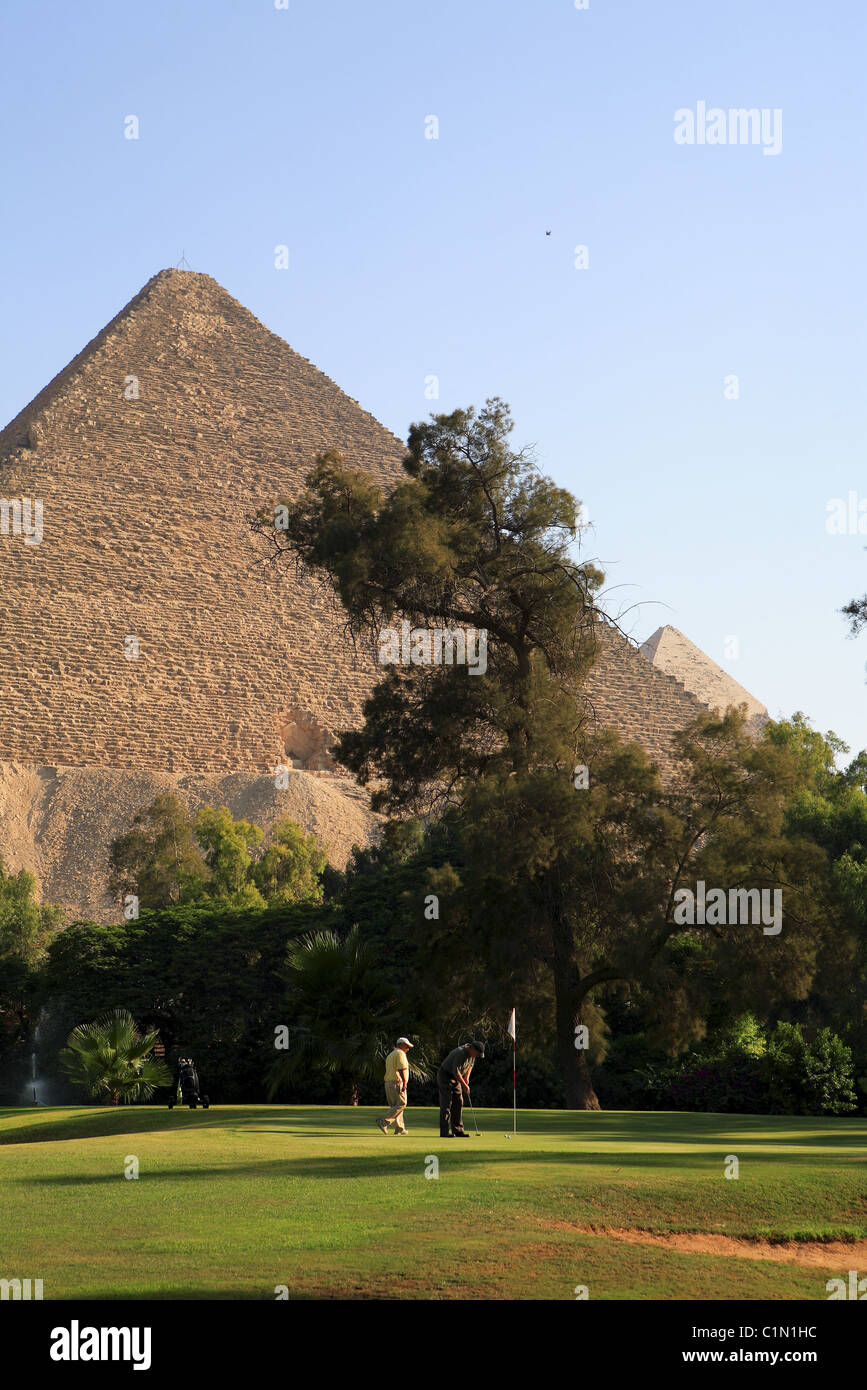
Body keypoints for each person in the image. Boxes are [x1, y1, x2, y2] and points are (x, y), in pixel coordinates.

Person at [437, 1040, 484, 1137]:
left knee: (459, 1101)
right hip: (445, 1075)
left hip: (456, 1077)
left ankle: (458, 1130)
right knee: (447, 1102)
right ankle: (444, 1132)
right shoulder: (460, 1053)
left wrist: (467, 1077)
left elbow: (470, 1065)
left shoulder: (472, 1055)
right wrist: (464, 1085)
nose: (476, 1056)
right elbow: (456, 1072)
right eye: (476, 1054)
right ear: (472, 1049)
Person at [377, 1036, 414, 1135]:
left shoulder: (391, 1054)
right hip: (397, 1082)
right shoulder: (400, 1053)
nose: (408, 1049)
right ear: (401, 1045)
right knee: (402, 1104)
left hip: (388, 1083)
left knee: (395, 1106)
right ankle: (384, 1121)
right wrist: (405, 1083)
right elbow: (402, 1069)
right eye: (406, 1046)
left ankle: (400, 1128)